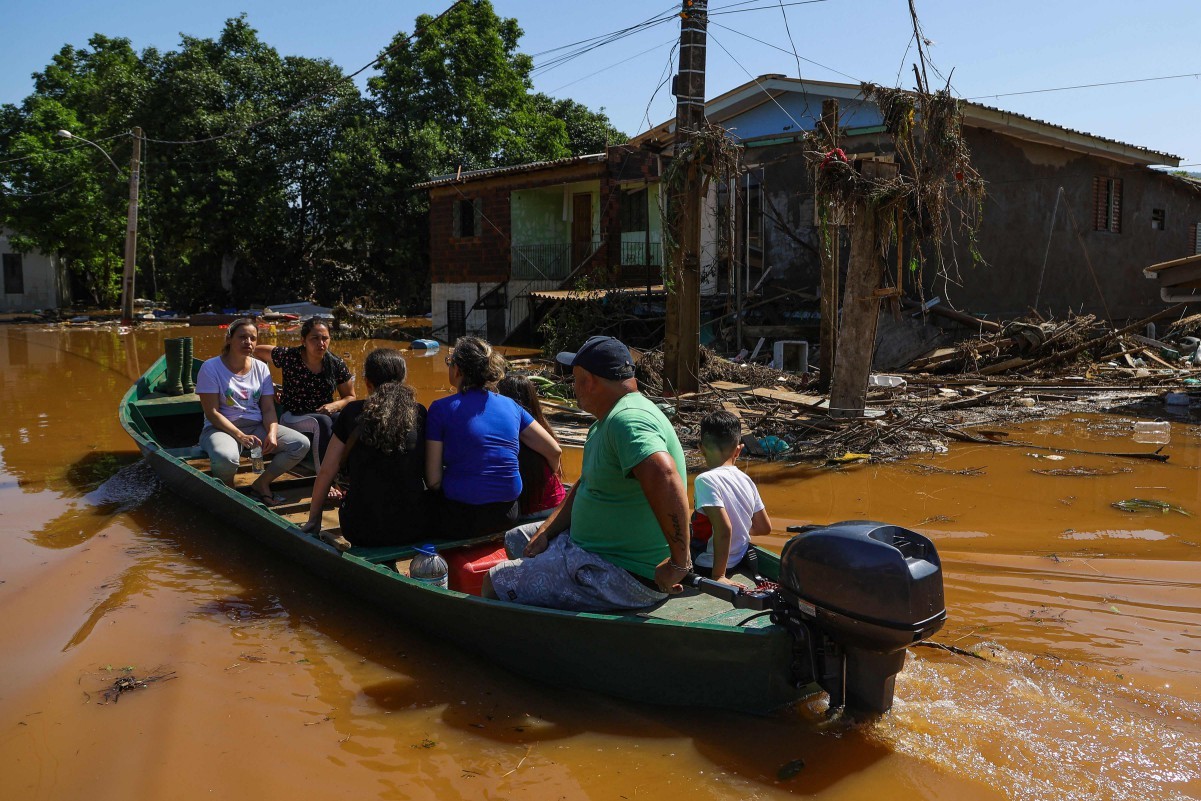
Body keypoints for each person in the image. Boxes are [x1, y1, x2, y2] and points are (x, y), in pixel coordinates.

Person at [485, 336, 691, 612]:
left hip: (620, 573)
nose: (572, 386)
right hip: (595, 549)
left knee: (493, 582)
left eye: (575, 378)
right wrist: (548, 529)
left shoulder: (627, 419)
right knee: (517, 539)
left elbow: (663, 474)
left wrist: (679, 564)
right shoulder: (608, 419)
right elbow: (585, 484)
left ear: (589, 380)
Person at [426, 337, 562, 538]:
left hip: (460, 517)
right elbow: (554, 450)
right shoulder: (511, 406)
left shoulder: (440, 409)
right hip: (507, 515)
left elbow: (433, 481)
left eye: (449, 361)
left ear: (457, 370)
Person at [300, 348, 429, 550]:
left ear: (367, 382)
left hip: (362, 529)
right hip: (415, 526)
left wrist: (314, 520)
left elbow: (326, 471)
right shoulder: (419, 412)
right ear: (403, 379)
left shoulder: (352, 412)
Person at [197, 318, 310, 504]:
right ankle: (228, 489)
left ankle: (261, 483)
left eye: (252, 338)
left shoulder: (261, 367)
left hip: (255, 426)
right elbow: (212, 413)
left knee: (300, 444)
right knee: (226, 459)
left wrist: (272, 434)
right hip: (220, 428)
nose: (248, 342)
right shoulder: (210, 367)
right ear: (229, 339)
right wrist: (240, 436)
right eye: (242, 337)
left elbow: (267, 408)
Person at [253, 318, 354, 478]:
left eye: (325, 338)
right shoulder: (289, 356)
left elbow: (350, 397)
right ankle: (325, 479)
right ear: (303, 340)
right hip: (292, 416)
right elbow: (256, 351)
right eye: (315, 338)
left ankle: (347, 472)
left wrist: (335, 405)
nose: (321, 343)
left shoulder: (335, 364)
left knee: (346, 419)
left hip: (322, 413)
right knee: (323, 422)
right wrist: (268, 386)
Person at [691, 410, 772, 586]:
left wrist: (718, 576)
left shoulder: (705, 480)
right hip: (740, 558)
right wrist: (740, 529)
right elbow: (764, 527)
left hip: (707, 564)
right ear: (739, 450)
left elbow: (724, 528)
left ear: (701, 448)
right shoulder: (746, 479)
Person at [497, 374, 567, 515]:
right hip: (556, 504)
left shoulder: (504, 431)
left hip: (529, 511)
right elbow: (555, 454)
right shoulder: (544, 430)